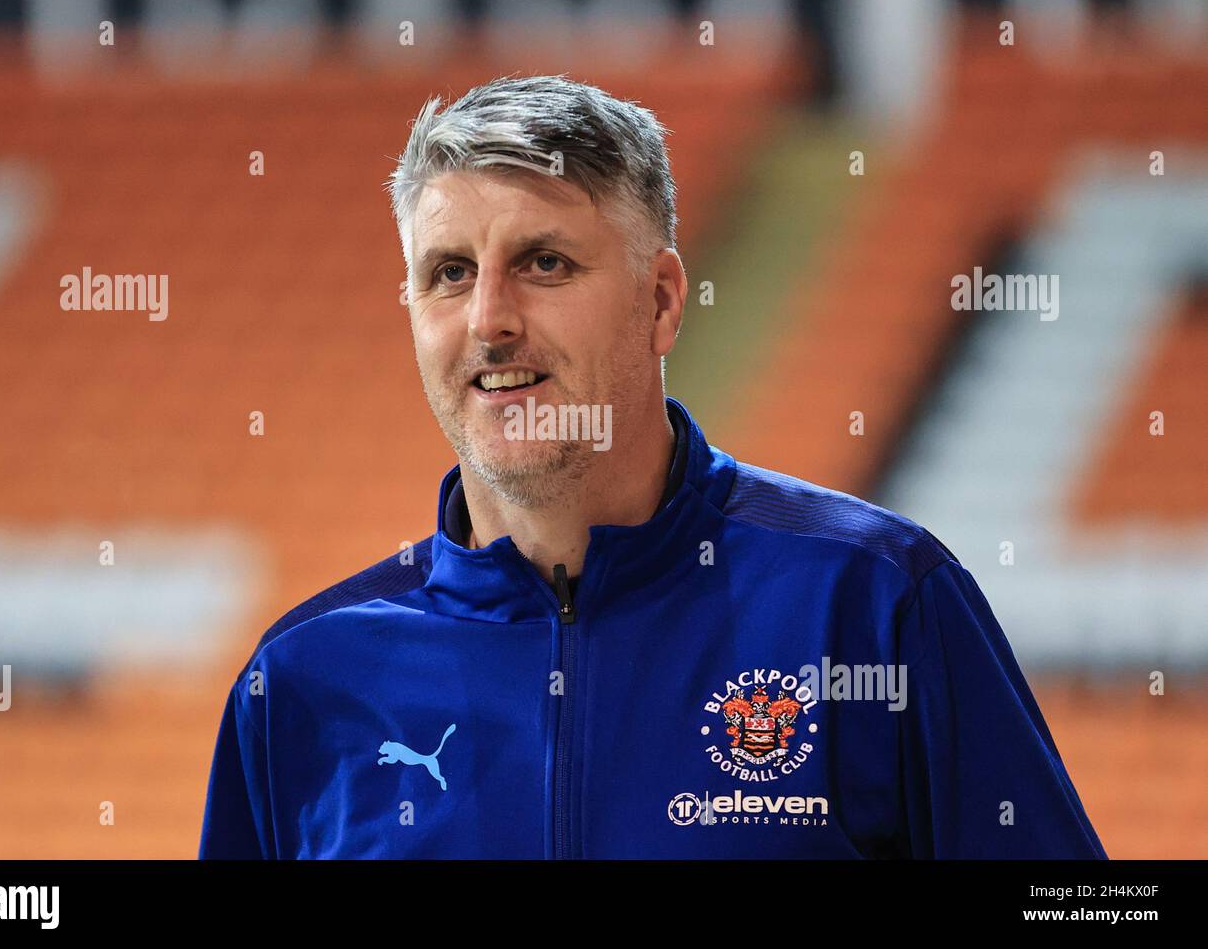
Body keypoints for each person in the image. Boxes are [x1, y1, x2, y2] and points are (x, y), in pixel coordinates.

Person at [198, 74, 1106, 859]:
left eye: (543, 263)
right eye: (447, 274)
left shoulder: (873, 602)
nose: (488, 320)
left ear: (663, 300)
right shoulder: (304, 680)